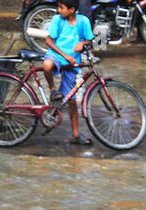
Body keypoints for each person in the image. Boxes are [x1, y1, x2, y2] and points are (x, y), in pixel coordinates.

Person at [41, 0, 94, 146]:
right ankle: (53, 90)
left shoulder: (83, 21)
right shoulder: (57, 20)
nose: (58, 10)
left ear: (71, 10)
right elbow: (48, 40)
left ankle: (76, 134)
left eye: (61, 7)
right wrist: (65, 56)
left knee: (71, 101)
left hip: (72, 63)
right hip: (57, 55)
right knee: (46, 65)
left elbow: (90, 40)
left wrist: (82, 44)